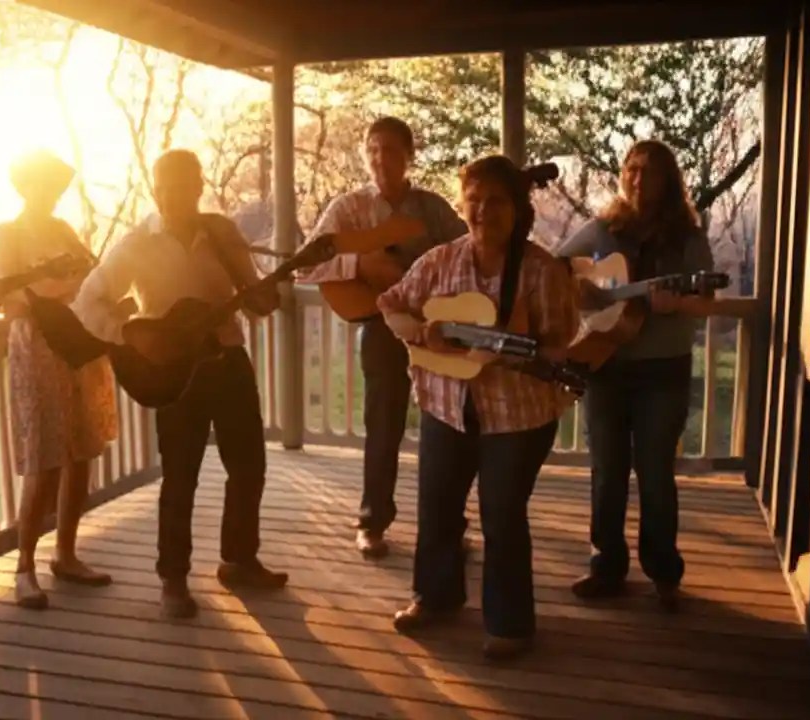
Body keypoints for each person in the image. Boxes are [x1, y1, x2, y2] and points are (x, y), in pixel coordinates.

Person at [70, 149, 288, 619]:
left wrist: (269, 296)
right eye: (166, 186)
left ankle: (239, 560)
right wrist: (129, 334)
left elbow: (253, 296)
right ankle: (173, 578)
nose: (176, 195)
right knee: (180, 477)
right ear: (154, 188)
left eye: (187, 185)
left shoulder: (221, 234)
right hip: (174, 374)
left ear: (199, 186)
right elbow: (89, 300)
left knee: (249, 465)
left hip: (229, 361)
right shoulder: (136, 244)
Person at [378, 155, 579, 660]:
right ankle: (436, 598)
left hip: (518, 413)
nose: (483, 210)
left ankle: (510, 625)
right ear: (462, 205)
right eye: (474, 200)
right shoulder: (440, 261)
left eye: (496, 201)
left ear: (516, 209)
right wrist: (420, 337)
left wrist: (523, 344)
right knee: (438, 507)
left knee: (502, 515)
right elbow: (391, 304)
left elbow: (559, 345)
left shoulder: (539, 270)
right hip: (446, 404)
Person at [554, 139, 717, 611]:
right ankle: (606, 567)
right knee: (607, 471)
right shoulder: (604, 228)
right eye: (632, 169)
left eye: (650, 171)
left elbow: (705, 302)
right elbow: (556, 266)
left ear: (669, 180)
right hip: (605, 363)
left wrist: (676, 302)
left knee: (654, 474)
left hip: (663, 370)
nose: (639, 179)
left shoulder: (687, 236)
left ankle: (664, 572)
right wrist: (582, 291)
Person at [296, 116, 469, 559]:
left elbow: (472, 256)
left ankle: (450, 524)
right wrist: (358, 267)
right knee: (383, 424)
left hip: (437, 328)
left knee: (449, 423)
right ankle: (373, 520)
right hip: (380, 325)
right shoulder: (349, 209)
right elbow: (307, 265)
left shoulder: (431, 208)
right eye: (373, 149)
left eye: (391, 149)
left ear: (409, 156)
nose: (380, 158)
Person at [0, 150, 120, 610]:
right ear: (24, 186)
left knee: (80, 451)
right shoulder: (7, 234)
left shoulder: (63, 230)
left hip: (76, 346)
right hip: (37, 350)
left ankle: (66, 552)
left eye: (56, 185)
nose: (50, 193)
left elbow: (92, 279)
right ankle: (23, 565)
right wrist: (58, 290)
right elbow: (7, 297)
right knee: (43, 458)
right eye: (42, 184)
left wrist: (70, 291)